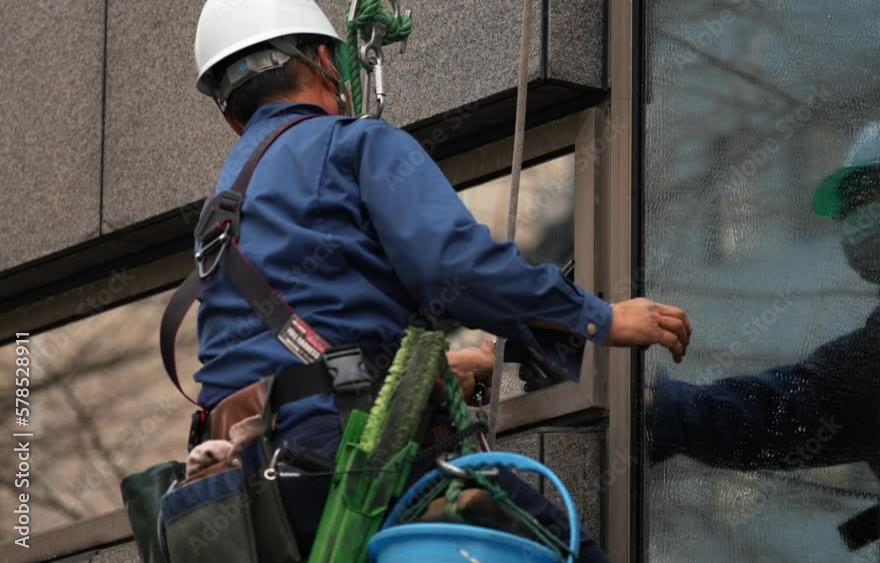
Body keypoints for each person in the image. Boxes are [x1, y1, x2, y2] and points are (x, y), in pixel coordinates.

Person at [190, 1, 693, 560]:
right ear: (327, 61)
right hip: (340, 456)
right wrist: (600, 317)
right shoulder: (355, 145)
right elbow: (456, 268)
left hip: (244, 489)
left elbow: (290, 351)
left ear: (231, 114)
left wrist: (437, 371)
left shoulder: (221, 214)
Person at [645, 104, 880, 562]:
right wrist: (663, 410)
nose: (861, 220)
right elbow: (778, 410)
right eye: (853, 206)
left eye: (876, 196)